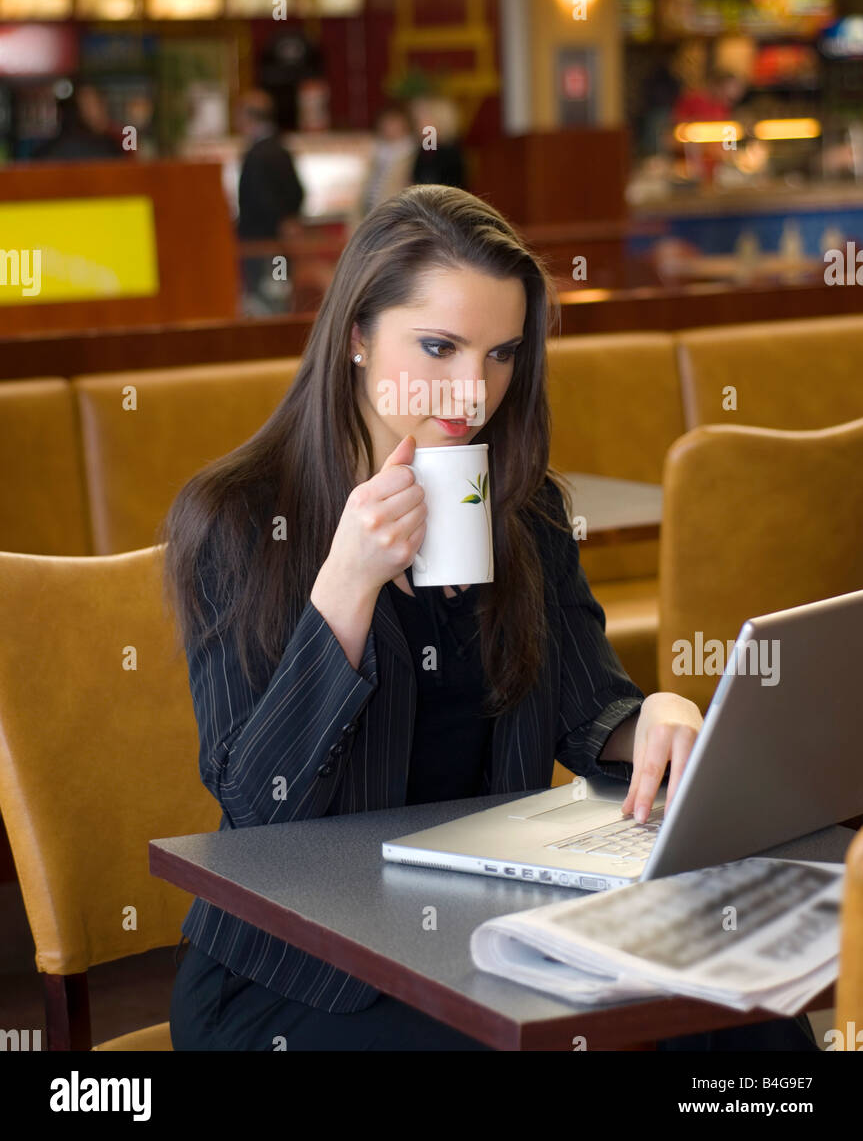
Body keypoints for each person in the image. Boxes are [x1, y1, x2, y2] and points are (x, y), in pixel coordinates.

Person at [163, 184, 817, 1052]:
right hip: (298, 973)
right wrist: (346, 588)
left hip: (484, 932)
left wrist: (655, 717)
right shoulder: (239, 519)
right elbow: (254, 805)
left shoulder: (522, 506)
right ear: (357, 336)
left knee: (743, 1025)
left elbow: (591, 709)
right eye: (438, 347)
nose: (473, 390)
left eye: (501, 354)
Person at [235, 89, 304, 314]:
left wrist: (281, 222)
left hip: (260, 245)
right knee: (279, 293)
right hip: (280, 246)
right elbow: (298, 191)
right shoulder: (281, 148)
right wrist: (289, 219)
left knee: (265, 302)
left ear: (247, 117)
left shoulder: (256, 155)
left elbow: (259, 198)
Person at [30, 83, 123, 162]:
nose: (105, 111)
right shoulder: (105, 151)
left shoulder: (44, 153)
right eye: (98, 104)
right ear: (77, 110)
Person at [360, 103, 417, 215]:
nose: (388, 127)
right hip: (370, 214)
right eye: (385, 122)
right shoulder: (376, 152)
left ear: (405, 124)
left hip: (396, 216)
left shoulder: (413, 153)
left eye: (393, 122)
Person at [410, 96, 467, 189]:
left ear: (442, 121)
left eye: (425, 119)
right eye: (418, 120)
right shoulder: (422, 149)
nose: (419, 125)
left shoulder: (451, 153)